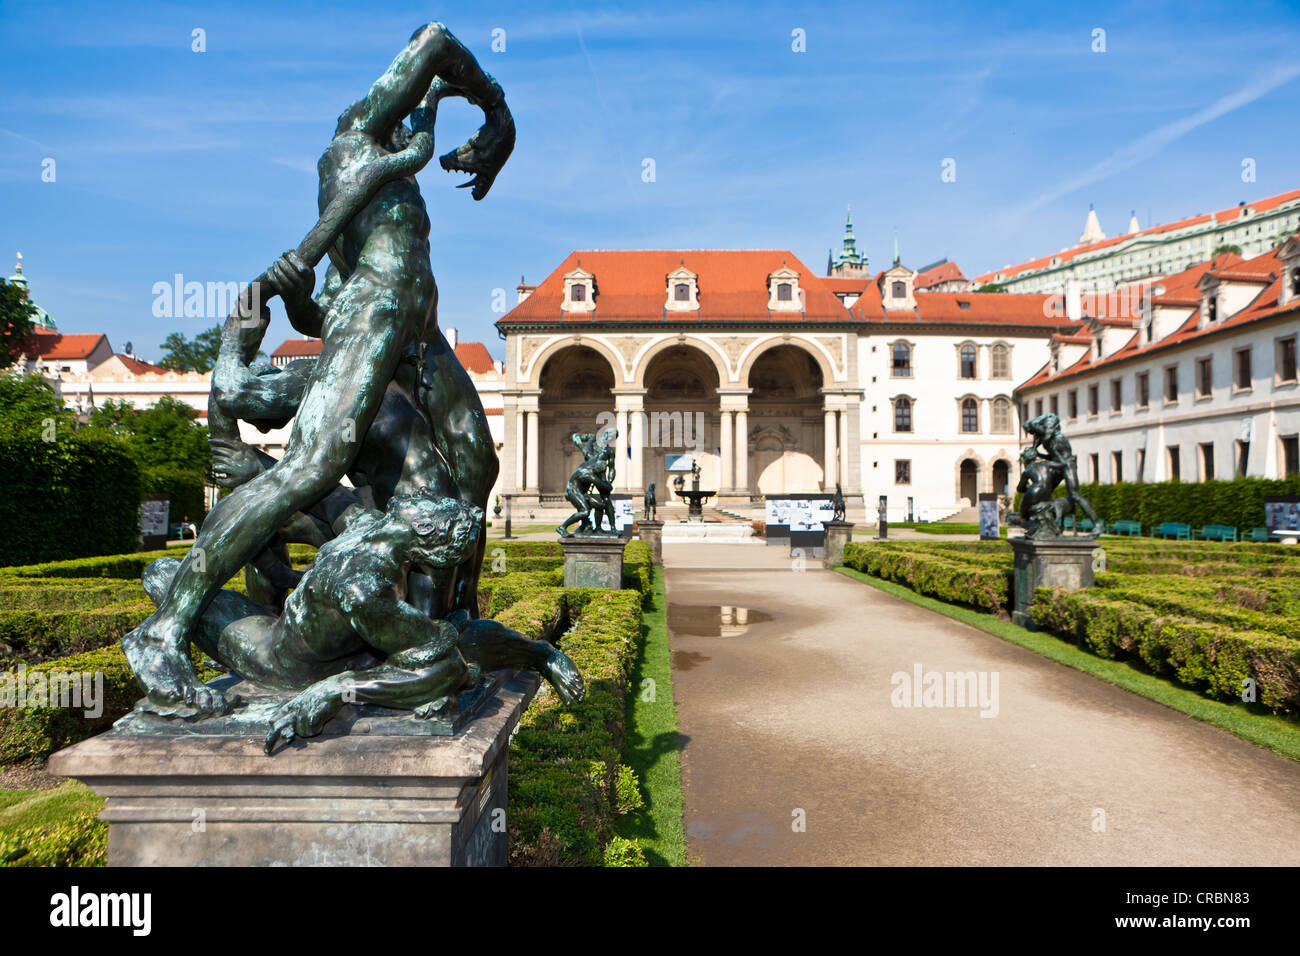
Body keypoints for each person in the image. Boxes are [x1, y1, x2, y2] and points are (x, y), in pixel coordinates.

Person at [125, 22, 515, 716]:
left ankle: (449, 624)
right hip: (381, 309)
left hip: (413, 324)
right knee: (310, 464)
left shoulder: (386, 179)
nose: (411, 116)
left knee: (477, 464)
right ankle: (165, 628)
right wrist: (495, 108)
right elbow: (434, 41)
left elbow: (320, 318)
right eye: (405, 109)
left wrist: (302, 296)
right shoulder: (352, 145)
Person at [124, 493, 583, 751]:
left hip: (289, 647)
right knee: (163, 574)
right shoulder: (367, 555)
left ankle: (541, 654)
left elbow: (442, 669)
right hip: (278, 648)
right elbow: (441, 672)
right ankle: (541, 654)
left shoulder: (369, 552)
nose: (426, 497)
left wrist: (335, 685)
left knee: (455, 641)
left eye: (436, 509)